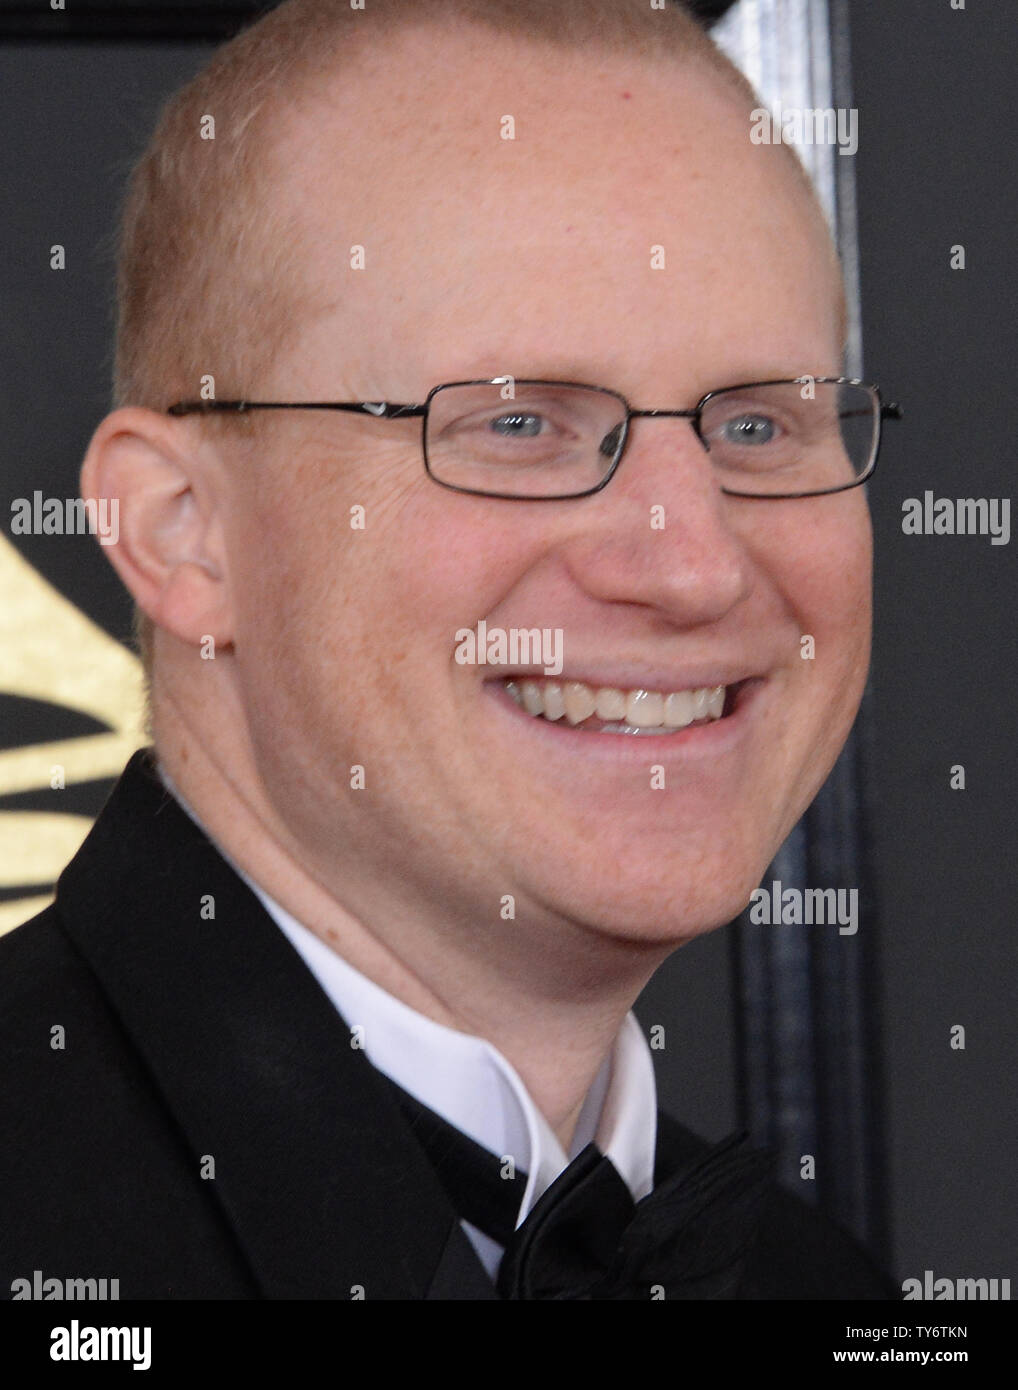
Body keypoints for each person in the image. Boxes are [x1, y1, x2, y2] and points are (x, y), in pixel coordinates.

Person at [1, 0, 897, 1299]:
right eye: (520, 422)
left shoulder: (820, 1292)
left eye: (757, 428)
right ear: (183, 532)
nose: (691, 561)